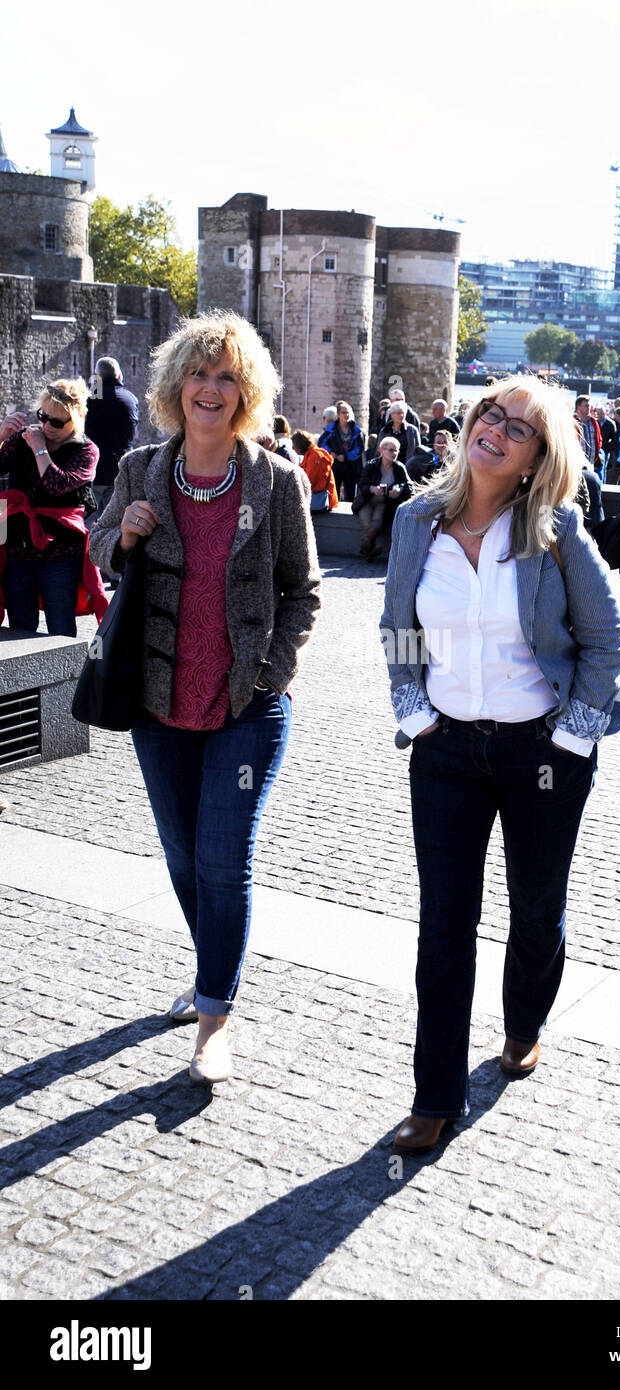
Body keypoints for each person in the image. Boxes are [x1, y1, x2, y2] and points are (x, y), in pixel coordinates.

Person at [380, 375, 620, 1152]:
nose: (497, 428)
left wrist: (572, 738)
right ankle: (434, 1095)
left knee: (535, 909)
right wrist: (415, 714)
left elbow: (605, 642)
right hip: (446, 751)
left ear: (534, 459)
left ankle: (525, 1023)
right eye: (492, 412)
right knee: (443, 926)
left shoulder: (555, 531)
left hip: (541, 754)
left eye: (519, 427)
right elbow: (398, 627)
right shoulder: (418, 519)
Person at [89, 311, 321, 1086]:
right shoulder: (141, 471)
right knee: (184, 856)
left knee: (224, 859)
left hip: (246, 707)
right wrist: (124, 533)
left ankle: (214, 1018)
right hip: (157, 701)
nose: (210, 389)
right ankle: (210, 965)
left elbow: (304, 592)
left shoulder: (278, 480)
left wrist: (270, 672)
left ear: (247, 392)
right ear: (174, 386)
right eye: (198, 373)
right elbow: (99, 544)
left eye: (227, 377)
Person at [0, 379, 107, 636]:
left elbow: (58, 485)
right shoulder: (24, 438)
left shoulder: (87, 450)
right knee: (19, 630)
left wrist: (39, 449)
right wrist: (1, 435)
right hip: (19, 547)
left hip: (60, 553)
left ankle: (66, 676)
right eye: (43, 417)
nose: (47, 425)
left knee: (61, 629)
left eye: (57, 422)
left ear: (75, 420)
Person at [85, 357, 139, 523]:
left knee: (87, 527)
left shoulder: (87, 400)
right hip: (119, 469)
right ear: (120, 377)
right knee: (113, 527)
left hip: (93, 470)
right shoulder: (131, 400)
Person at [353, 435, 411, 558]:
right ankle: (370, 549)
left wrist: (399, 489)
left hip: (384, 503)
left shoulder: (399, 467)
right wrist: (372, 489)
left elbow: (409, 485)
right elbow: (362, 485)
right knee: (369, 525)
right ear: (381, 450)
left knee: (377, 524)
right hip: (366, 501)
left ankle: (367, 550)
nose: (394, 453)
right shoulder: (371, 465)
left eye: (396, 450)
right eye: (391, 450)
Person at [324, 400, 365, 503]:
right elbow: (322, 444)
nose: (346, 415)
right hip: (336, 465)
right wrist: (331, 453)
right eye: (343, 412)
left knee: (350, 493)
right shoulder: (331, 429)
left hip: (351, 466)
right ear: (338, 414)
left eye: (347, 412)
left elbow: (360, 448)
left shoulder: (355, 429)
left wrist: (346, 456)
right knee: (334, 491)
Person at [292, 429, 339, 510]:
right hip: (317, 496)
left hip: (320, 499)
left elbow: (309, 481)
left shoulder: (315, 456)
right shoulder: (311, 454)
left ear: (300, 445)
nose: (292, 448)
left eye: (294, 445)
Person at [573, 395, 602, 474]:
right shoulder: (572, 422)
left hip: (590, 463)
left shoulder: (593, 422)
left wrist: (595, 456)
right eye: (586, 406)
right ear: (578, 407)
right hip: (575, 464)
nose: (589, 408)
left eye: (589, 405)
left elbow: (599, 439)